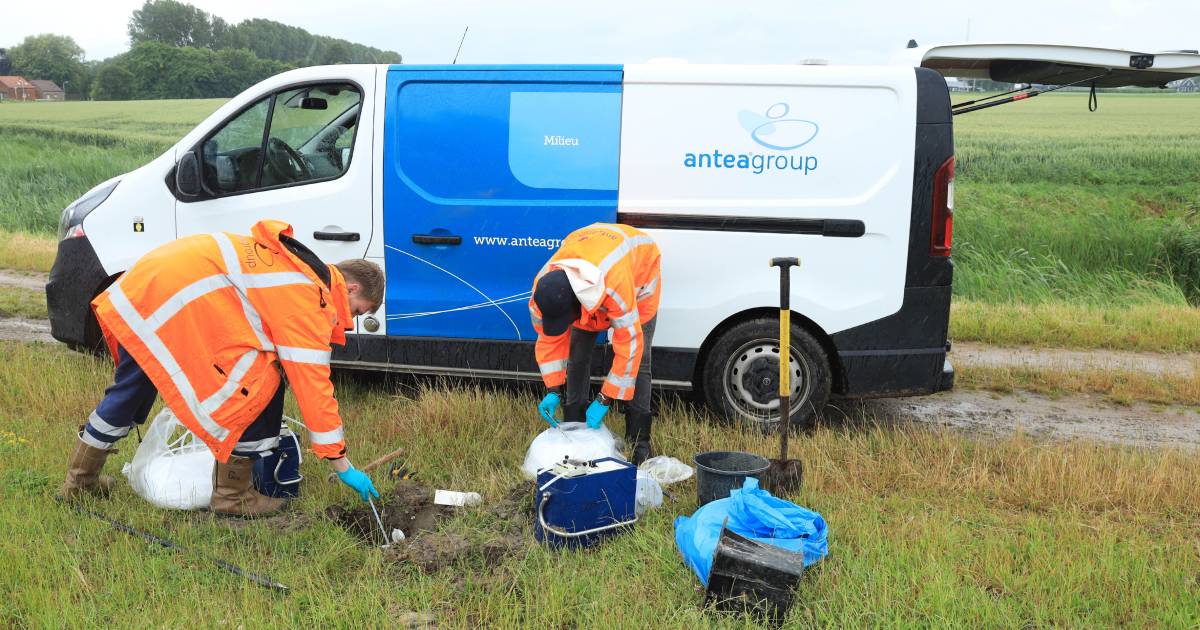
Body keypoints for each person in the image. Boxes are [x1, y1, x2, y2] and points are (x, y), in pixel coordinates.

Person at [59, 219, 385, 516]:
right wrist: (343, 465)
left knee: (131, 390)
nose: (351, 320)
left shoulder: (294, 268)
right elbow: (314, 390)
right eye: (358, 311)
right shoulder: (311, 299)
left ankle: (79, 482)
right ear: (352, 288)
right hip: (174, 297)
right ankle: (233, 495)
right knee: (260, 387)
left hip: (144, 289)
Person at [529, 223, 662, 465]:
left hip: (638, 278)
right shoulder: (545, 287)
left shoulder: (616, 286)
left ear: (579, 302)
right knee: (578, 354)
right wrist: (553, 389)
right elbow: (549, 340)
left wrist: (604, 399)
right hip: (591, 272)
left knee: (640, 361)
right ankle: (575, 427)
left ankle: (639, 442)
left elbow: (629, 347)